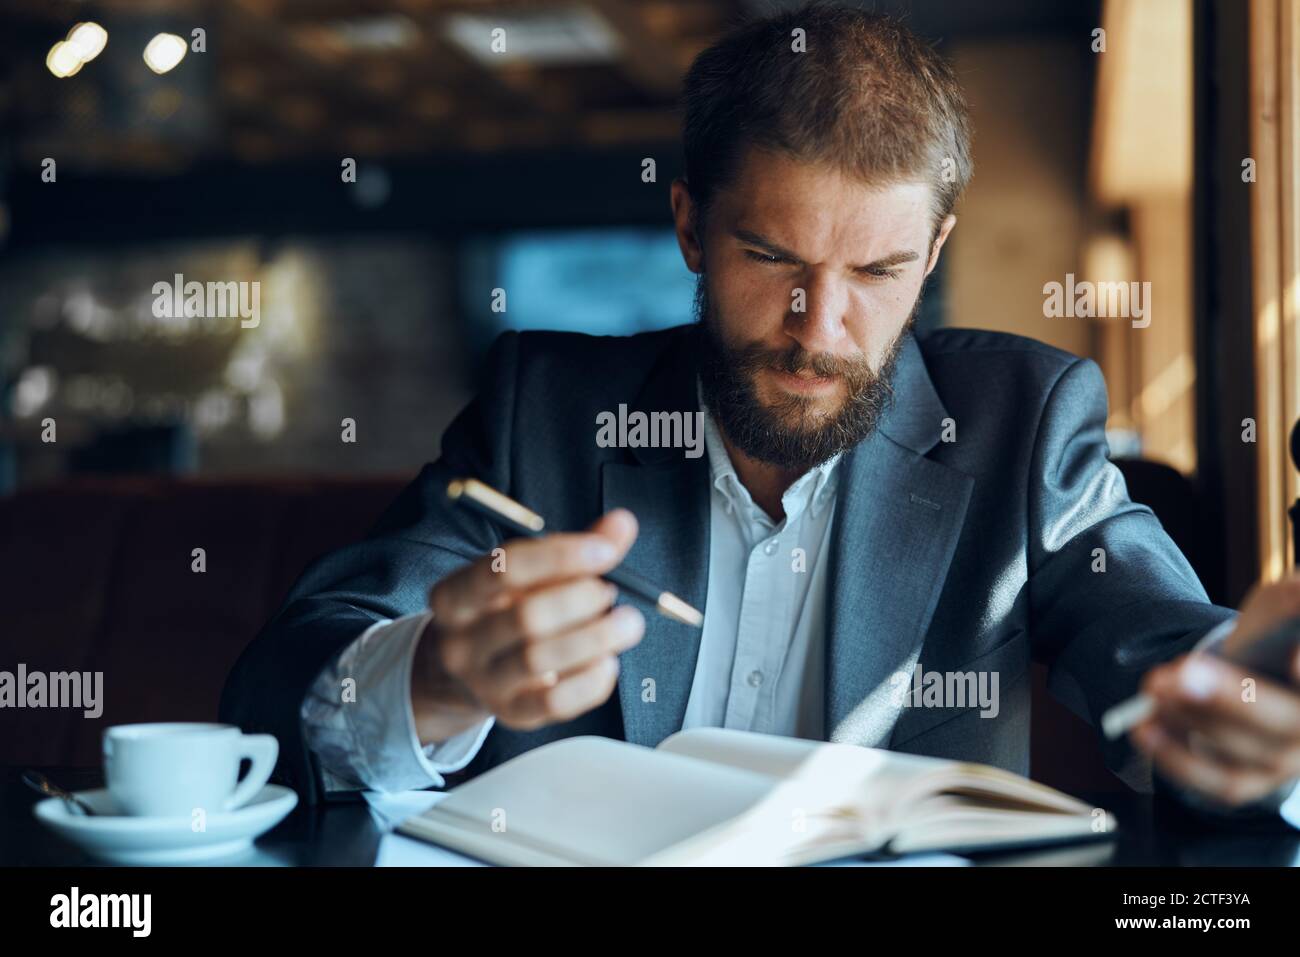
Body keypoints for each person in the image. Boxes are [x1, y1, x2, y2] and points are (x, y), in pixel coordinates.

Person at [222, 3, 1300, 820]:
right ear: (690, 225)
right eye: (770, 255)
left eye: (877, 269)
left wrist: (1250, 723)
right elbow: (286, 680)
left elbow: (1170, 649)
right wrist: (437, 679)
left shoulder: (1023, 424)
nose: (816, 327)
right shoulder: (544, 411)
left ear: (931, 255)